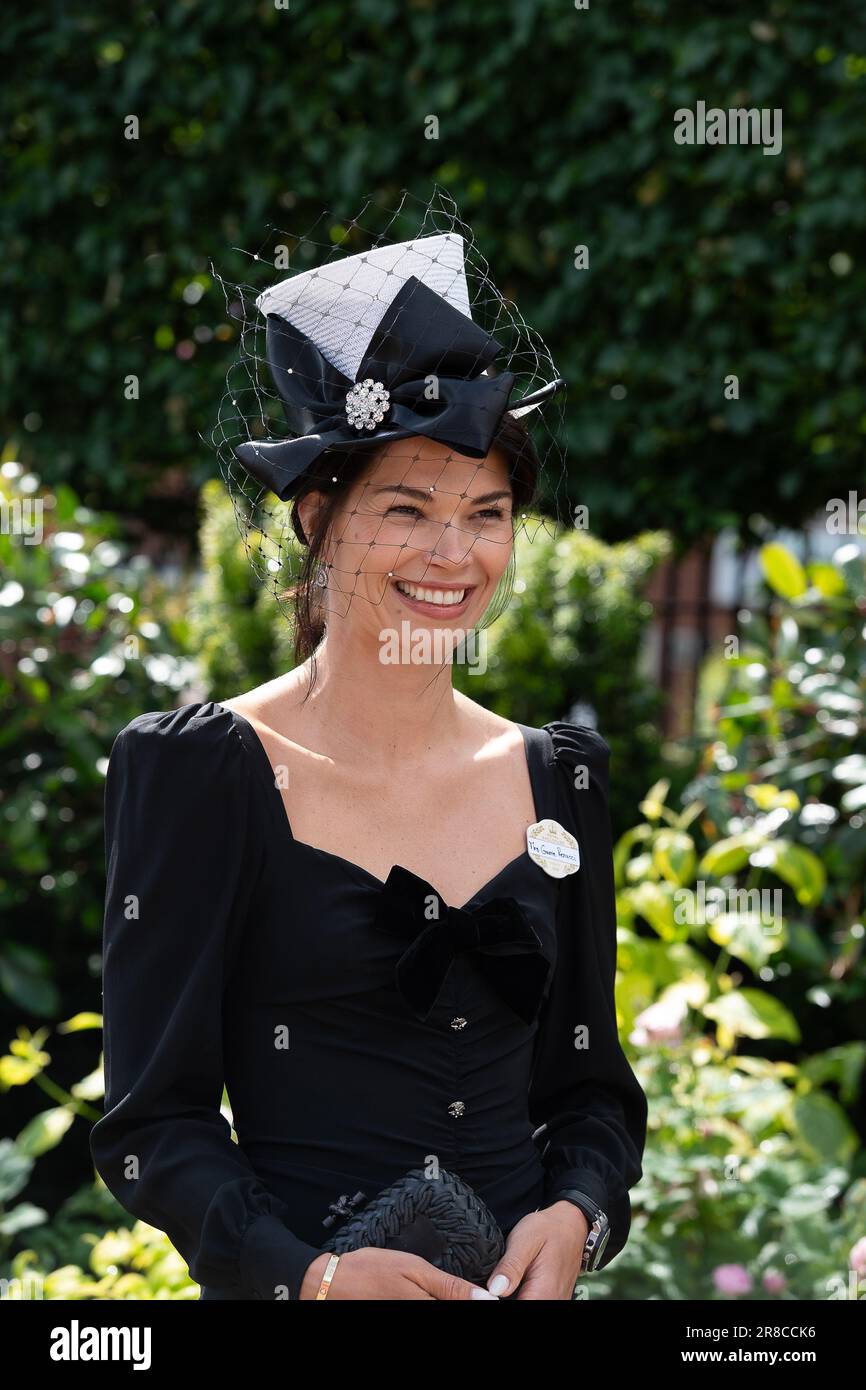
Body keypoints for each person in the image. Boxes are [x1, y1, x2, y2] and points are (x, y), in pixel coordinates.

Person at [89, 225, 648, 1300]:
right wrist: (308, 1275)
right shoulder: (203, 772)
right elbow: (150, 1125)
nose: (454, 555)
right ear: (318, 521)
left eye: (486, 515)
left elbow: (590, 1089)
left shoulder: (557, 775)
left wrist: (578, 1211)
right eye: (406, 510)